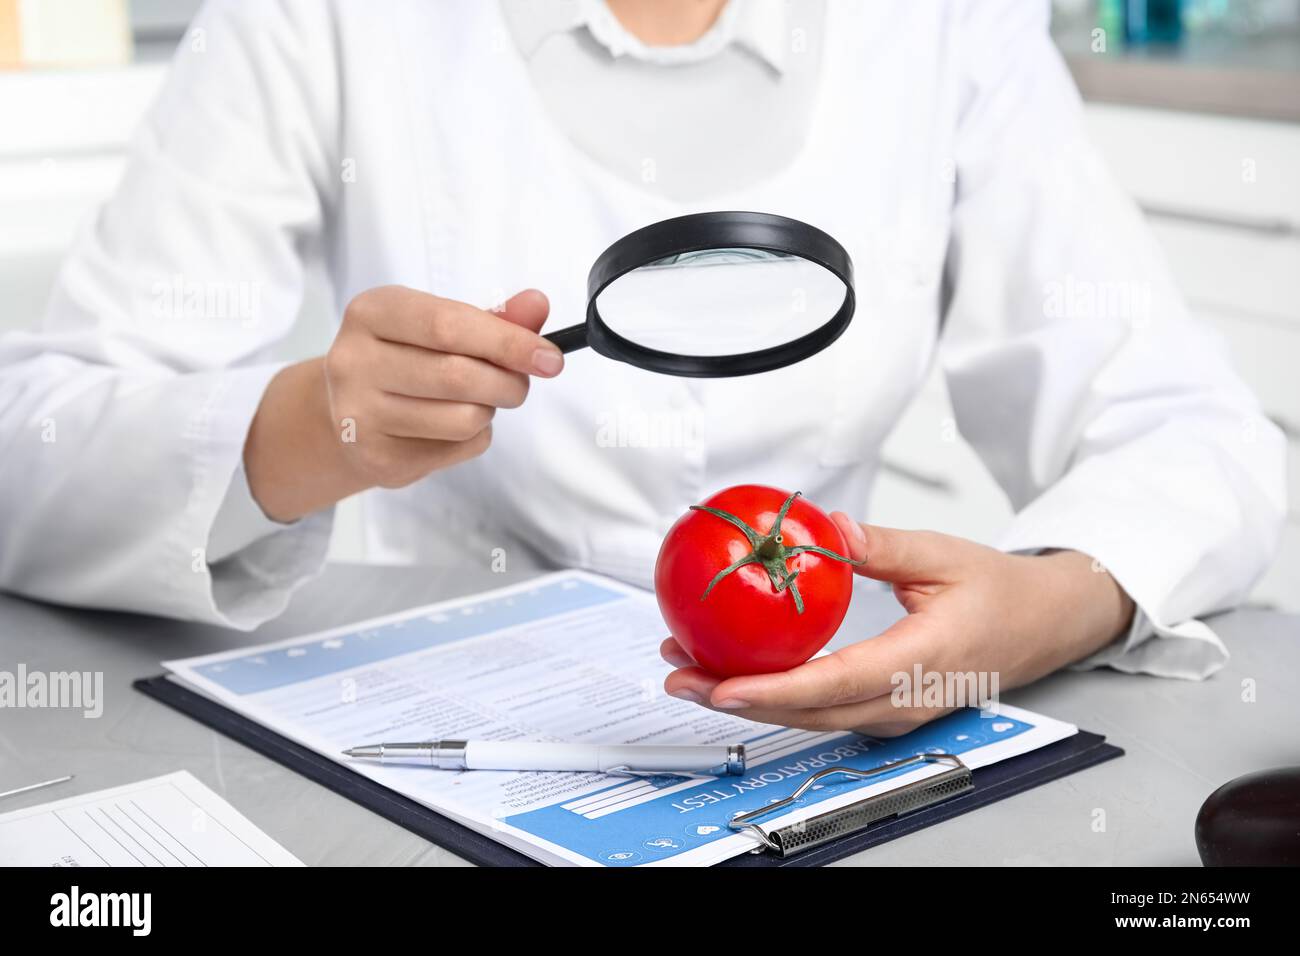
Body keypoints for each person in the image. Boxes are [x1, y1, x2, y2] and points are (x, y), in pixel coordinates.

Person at [0, 0, 1284, 735]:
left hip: (828, 769)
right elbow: (29, 446)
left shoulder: (947, 25)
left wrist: (1034, 614)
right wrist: (302, 428)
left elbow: (1194, 435)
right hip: (430, 745)